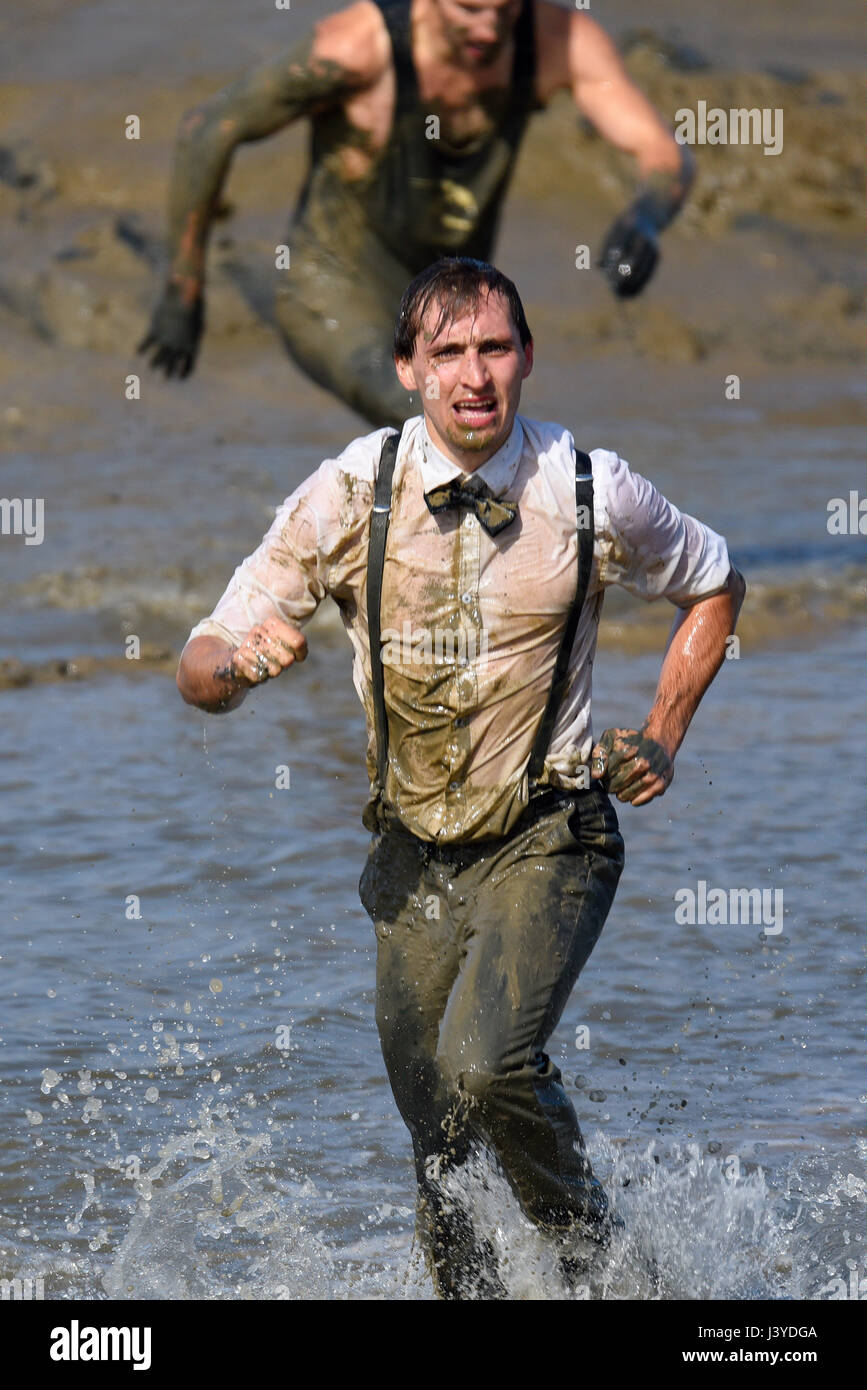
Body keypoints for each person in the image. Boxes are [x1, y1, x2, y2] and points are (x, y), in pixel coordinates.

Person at [176, 257, 744, 1298]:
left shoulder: (588, 486)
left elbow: (712, 581)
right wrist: (242, 670)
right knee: (436, 1127)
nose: (474, 375)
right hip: (411, 855)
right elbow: (198, 660)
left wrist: (663, 732)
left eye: (493, 348)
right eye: (448, 352)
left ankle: (610, 1273)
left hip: (553, 832)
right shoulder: (350, 491)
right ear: (407, 370)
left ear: (526, 357)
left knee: (489, 1064)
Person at [139, 0, 693, 426]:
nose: (488, 31)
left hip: (451, 299)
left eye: (505, 10)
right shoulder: (359, 47)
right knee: (441, 420)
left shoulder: (556, 41)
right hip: (333, 291)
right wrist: (182, 292)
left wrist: (645, 216)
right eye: (468, 10)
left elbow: (663, 153)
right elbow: (208, 130)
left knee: (482, 435)